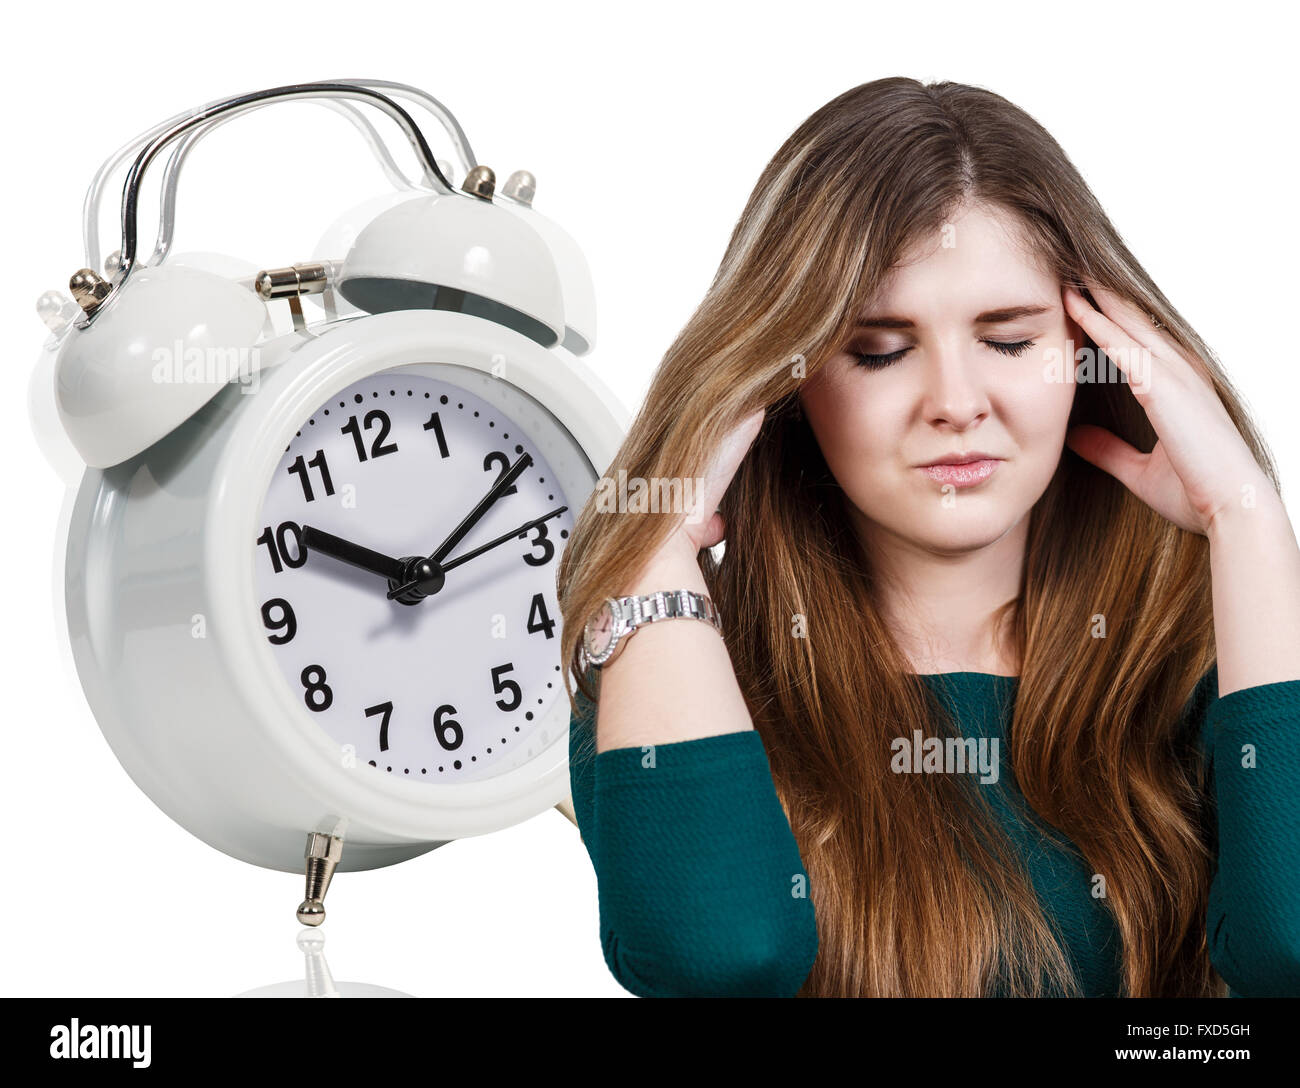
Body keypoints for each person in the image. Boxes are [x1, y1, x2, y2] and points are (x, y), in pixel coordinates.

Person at [555, 77, 1300, 998]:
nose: (955, 403)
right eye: (879, 349)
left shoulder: (1232, 650)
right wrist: (658, 546)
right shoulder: (671, 664)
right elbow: (721, 955)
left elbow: (1291, 948)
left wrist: (1250, 519)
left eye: (1010, 340)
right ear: (780, 381)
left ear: (1092, 355)